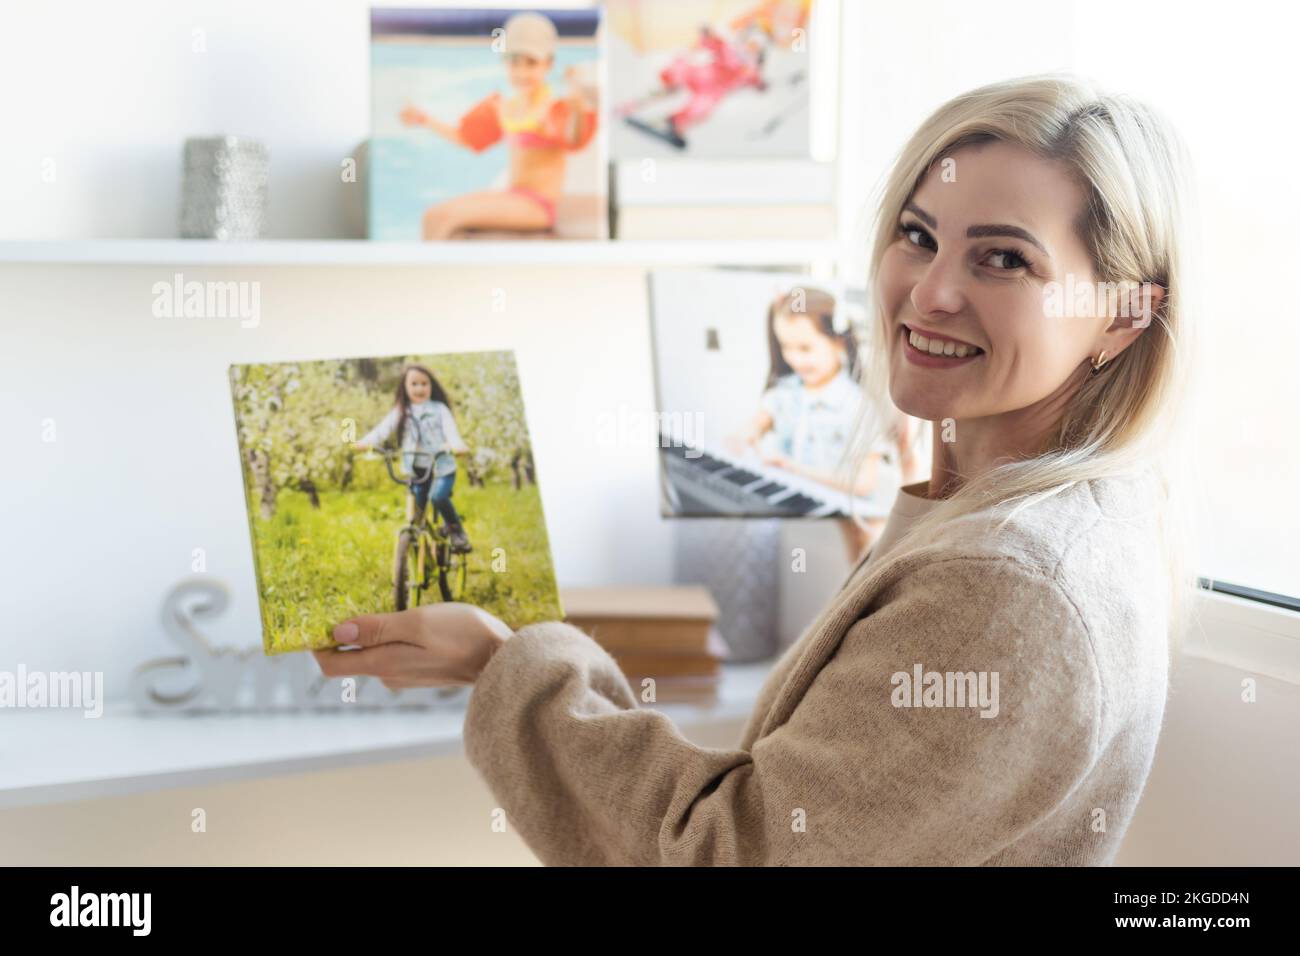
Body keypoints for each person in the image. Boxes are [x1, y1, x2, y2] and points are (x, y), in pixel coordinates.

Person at [316, 74, 1200, 865]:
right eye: (918, 236)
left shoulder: (1010, 588)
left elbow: (720, 853)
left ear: (1123, 316)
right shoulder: (1070, 511)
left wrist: (503, 664)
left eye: (1004, 258)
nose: (931, 291)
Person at [399, 12, 598, 239]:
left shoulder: (552, 108)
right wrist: (425, 120)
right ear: (504, 62)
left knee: (445, 217)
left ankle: (432, 273)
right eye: (514, 62)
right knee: (432, 215)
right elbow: (466, 138)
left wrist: (578, 105)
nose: (522, 72)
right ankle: (430, 273)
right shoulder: (505, 107)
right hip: (512, 196)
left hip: (538, 206)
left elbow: (574, 138)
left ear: (548, 64)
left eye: (531, 63)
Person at [725, 285, 908, 515]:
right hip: (794, 511)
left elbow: (863, 483)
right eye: (786, 347)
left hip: (841, 518)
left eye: (805, 348)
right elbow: (753, 427)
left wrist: (795, 470)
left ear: (838, 342)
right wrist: (742, 439)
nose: (794, 358)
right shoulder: (785, 393)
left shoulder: (858, 407)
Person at [354, 364, 472, 554]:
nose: (419, 388)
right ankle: (414, 551)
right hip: (416, 469)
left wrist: (457, 445)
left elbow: (451, 432)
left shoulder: (439, 409)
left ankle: (456, 530)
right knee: (418, 510)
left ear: (431, 386)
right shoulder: (402, 410)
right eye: (414, 384)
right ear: (405, 387)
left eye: (424, 384)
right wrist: (365, 443)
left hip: (441, 467)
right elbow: (382, 430)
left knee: (438, 497)